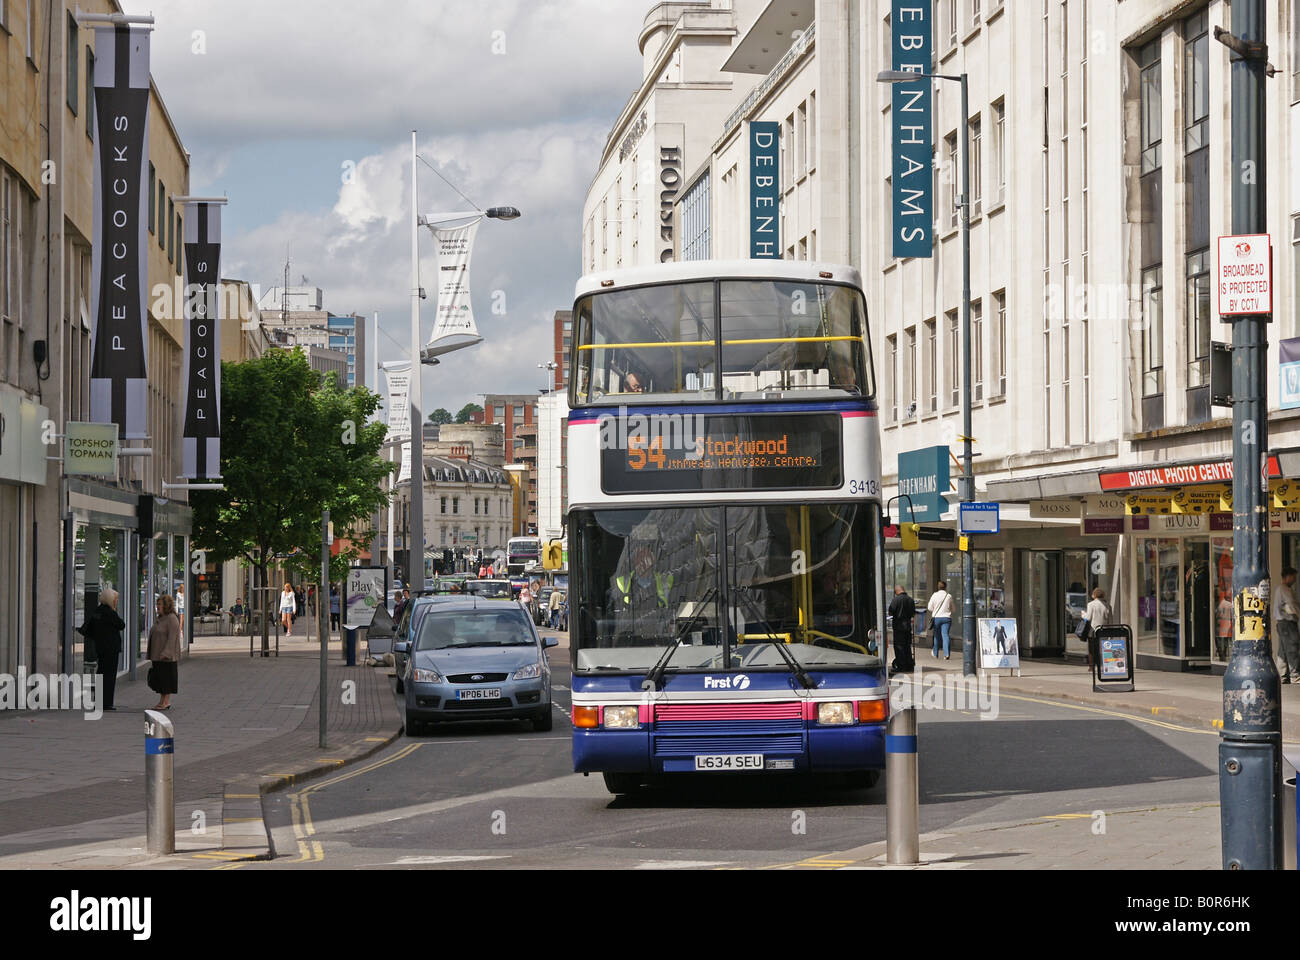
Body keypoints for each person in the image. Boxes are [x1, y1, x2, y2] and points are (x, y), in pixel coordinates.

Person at [77, 588, 126, 711]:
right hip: (111, 649)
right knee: (109, 676)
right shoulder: (110, 612)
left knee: (101, 674)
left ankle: (99, 701)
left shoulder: (97, 611)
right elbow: (121, 625)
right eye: (115, 599)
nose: (116, 602)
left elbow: (89, 630)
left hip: (100, 647)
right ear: (110, 600)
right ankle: (106, 703)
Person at [148, 594, 181, 710]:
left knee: (166, 679)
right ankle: (162, 700)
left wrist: (166, 653)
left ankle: (166, 701)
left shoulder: (171, 619)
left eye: (159, 604)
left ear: (166, 605)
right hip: (157, 655)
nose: (157, 606)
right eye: (157, 604)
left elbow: (172, 638)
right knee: (160, 679)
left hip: (166, 657)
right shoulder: (161, 618)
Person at [1273, 567, 1300, 684]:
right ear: (1287, 576)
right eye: (1293, 577)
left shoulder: (1279, 589)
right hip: (1288, 623)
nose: (1294, 579)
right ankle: (1295, 676)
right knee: (1292, 649)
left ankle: (1282, 676)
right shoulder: (1285, 589)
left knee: (1282, 651)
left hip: (1281, 623)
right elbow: (1292, 605)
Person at [887, 585, 916, 674]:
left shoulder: (896, 600)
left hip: (898, 626)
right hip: (907, 626)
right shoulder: (910, 599)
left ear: (897, 591)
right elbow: (913, 613)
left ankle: (901, 666)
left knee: (899, 646)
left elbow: (891, 611)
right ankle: (909, 665)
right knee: (907, 646)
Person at [926, 579, 955, 660]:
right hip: (946, 618)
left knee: (936, 636)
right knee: (945, 635)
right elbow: (953, 609)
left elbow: (929, 608)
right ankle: (946, 654)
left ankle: (935, 653)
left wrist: (935, 610)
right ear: (945, 587)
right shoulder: (948, 596)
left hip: (937, 618)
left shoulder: (934, 595)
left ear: (938, 587)